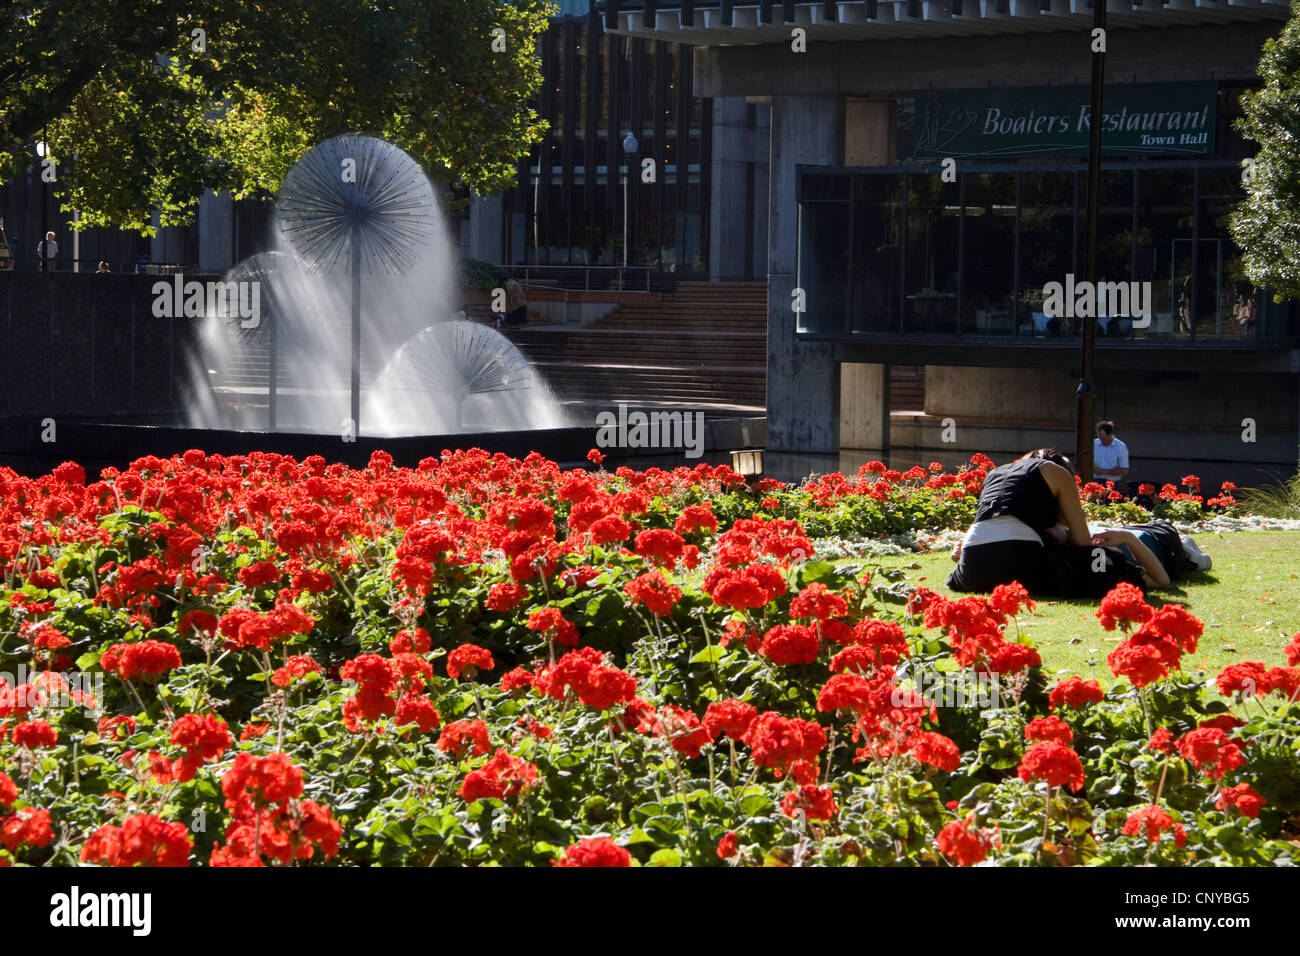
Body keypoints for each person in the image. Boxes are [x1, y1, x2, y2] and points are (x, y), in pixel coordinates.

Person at [948, 448, 1166, 596]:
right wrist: (1127, 538)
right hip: (1020, 560)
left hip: (972, 567)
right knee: (1103, 561)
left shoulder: (995, 473)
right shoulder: (1056, 472)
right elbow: (1082, 543)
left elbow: (997, 525)